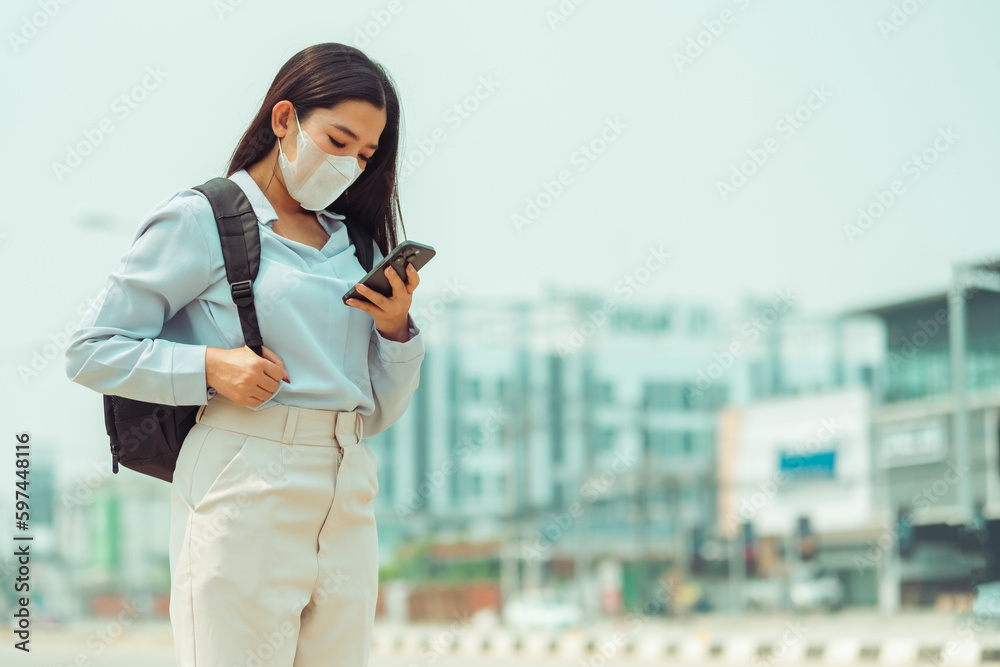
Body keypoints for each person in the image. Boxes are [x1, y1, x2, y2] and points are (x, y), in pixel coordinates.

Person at [64, 42, 425, 666]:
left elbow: (378, 412)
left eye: (365, 155)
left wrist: (396, 331)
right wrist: (210, 369)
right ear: (284, 120)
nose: (350, 165)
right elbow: (89, 350)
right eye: (338, 142)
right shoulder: (204, 220)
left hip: (347, 486)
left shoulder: (357, 245)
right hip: (243, 476)